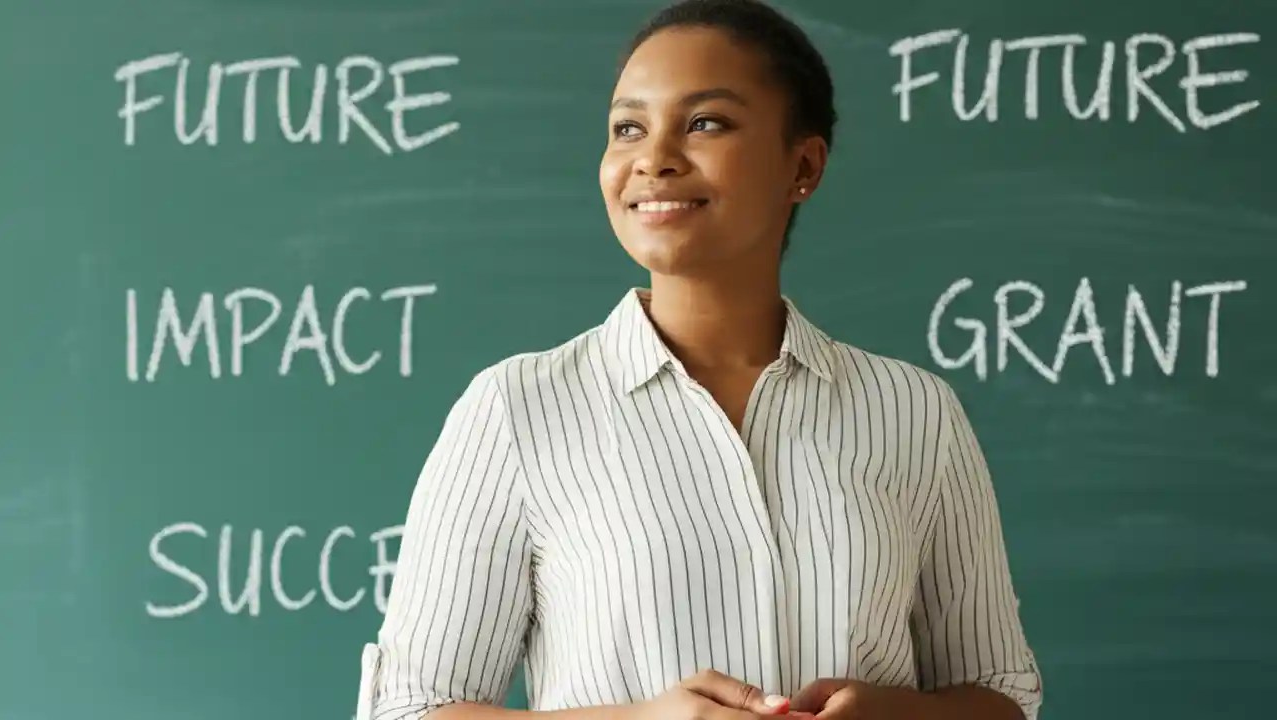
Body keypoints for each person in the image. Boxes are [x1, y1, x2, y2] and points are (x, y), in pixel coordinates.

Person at [356, 1, 1043, 719]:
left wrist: (894, 715)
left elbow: (1002, 692)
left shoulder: (913, 412)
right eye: (628, 128)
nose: (653, 157)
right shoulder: (516, 409)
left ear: (802, 165)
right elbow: (409, 707)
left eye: (704, 122)